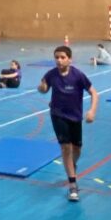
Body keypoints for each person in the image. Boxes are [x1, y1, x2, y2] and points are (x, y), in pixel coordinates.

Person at [38, 45, 99, 202]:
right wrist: (41, 88)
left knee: (77, 149)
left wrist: (92, 111)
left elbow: (94, 93)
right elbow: (44, 88)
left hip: (75, 117)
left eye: (62, 57)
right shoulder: (51, 74)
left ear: (69, 59)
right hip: (58, 115)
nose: (59, 60)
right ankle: (73, 185)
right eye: (56, 57)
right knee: (66, 148)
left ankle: (71, 166)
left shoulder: (78, 75)